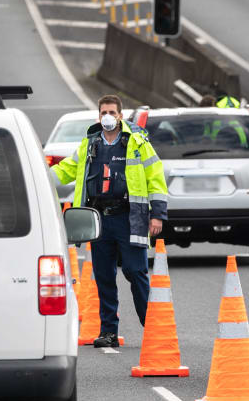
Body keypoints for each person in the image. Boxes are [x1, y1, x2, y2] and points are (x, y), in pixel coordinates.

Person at [52, 95, 168, 348]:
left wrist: (157, 214)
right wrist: (40, 174)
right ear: (99, 114)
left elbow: (155, 177)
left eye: (112, 112)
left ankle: (152, 328)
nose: (108, 116)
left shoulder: (136, 143)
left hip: (129, 217)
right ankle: (108, 332)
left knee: (135, 272)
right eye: (103, 111)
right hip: (99, 219)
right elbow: (68, 168)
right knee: (104, 276)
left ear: (120, 115)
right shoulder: (90, 143)